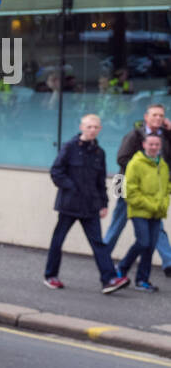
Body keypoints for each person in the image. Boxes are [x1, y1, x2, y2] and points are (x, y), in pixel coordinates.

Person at [43, 114, 131, 293]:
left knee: (99, 243)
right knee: (58, 241)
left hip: (90, 206)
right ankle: (50, 275)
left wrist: (104, 203)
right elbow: (56, 172)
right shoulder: (69, 147)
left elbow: (100, 181)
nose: (92, 130)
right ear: (82, 127)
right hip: (69, 205)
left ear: (99, 130)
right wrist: (72, 187)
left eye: (96, 127)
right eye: (89, 127)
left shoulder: (100, 153)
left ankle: (109, 280)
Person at [104, 103, 171, 275]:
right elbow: (122, 158)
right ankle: (103, 256)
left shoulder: (164, 136)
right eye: (154, 115)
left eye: (161, 116)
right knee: (118, 222)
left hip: (153, 191)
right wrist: (142, 172)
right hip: (128, 185)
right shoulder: (135, 134)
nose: (158, 119)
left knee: (156, 225)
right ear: (146, 117)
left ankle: (168, 261)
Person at [118, 132, 169, 292]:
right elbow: (130, 191)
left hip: (157, 212)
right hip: (139, 211)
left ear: (160, 146)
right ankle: (121, 268)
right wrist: (151, 205)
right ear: (144, 145)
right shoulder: (135, 163)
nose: (153, 147)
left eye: (156, 145)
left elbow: (166, 187)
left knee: (151, 246)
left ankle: (142, 280)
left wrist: (163, 204)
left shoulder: (163, 165)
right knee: (143, 242)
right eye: (151, 144)